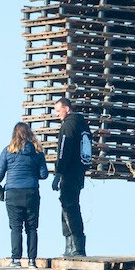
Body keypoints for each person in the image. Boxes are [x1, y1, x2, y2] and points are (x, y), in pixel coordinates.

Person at [0, 123, 48, 268]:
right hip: (31, 193)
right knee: (32, 228)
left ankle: (16, 260)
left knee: (16, 228)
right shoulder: (37, 152)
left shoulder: (7, 151)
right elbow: (44, 174)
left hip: (12, 193)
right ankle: (32, 261)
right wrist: (31, 172)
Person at [51, 97, 90, 257]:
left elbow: (63, 150)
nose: (57, 115)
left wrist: (58, 172)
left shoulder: (69, 125)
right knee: (68, 205)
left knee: (70, 206)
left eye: (59, 111)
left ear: (66, 108)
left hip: (70, 172)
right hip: (79, 172)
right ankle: (70, 246)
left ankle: (76, 247)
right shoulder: (83, 125)